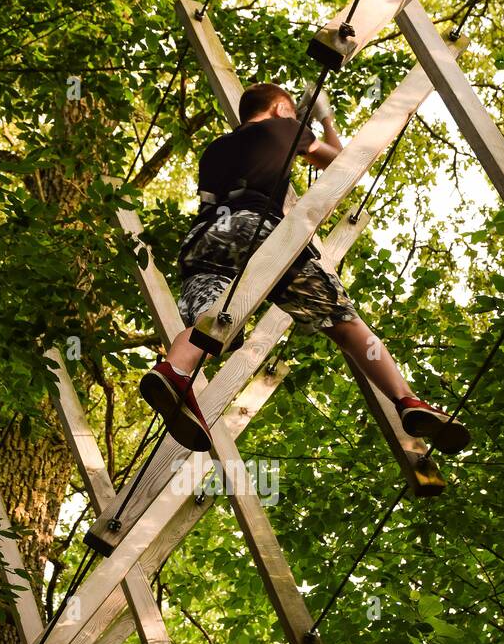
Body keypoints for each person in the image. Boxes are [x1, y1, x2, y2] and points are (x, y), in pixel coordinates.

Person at [139, 81, 470, 456]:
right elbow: (340, 161)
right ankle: (406, 399)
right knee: (343, 322)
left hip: (203, 238)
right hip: (257, 230)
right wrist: (324, 118)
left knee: (212, 323)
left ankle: (174, 371)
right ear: (281, 109)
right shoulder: (285, 126)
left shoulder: (214, 149)